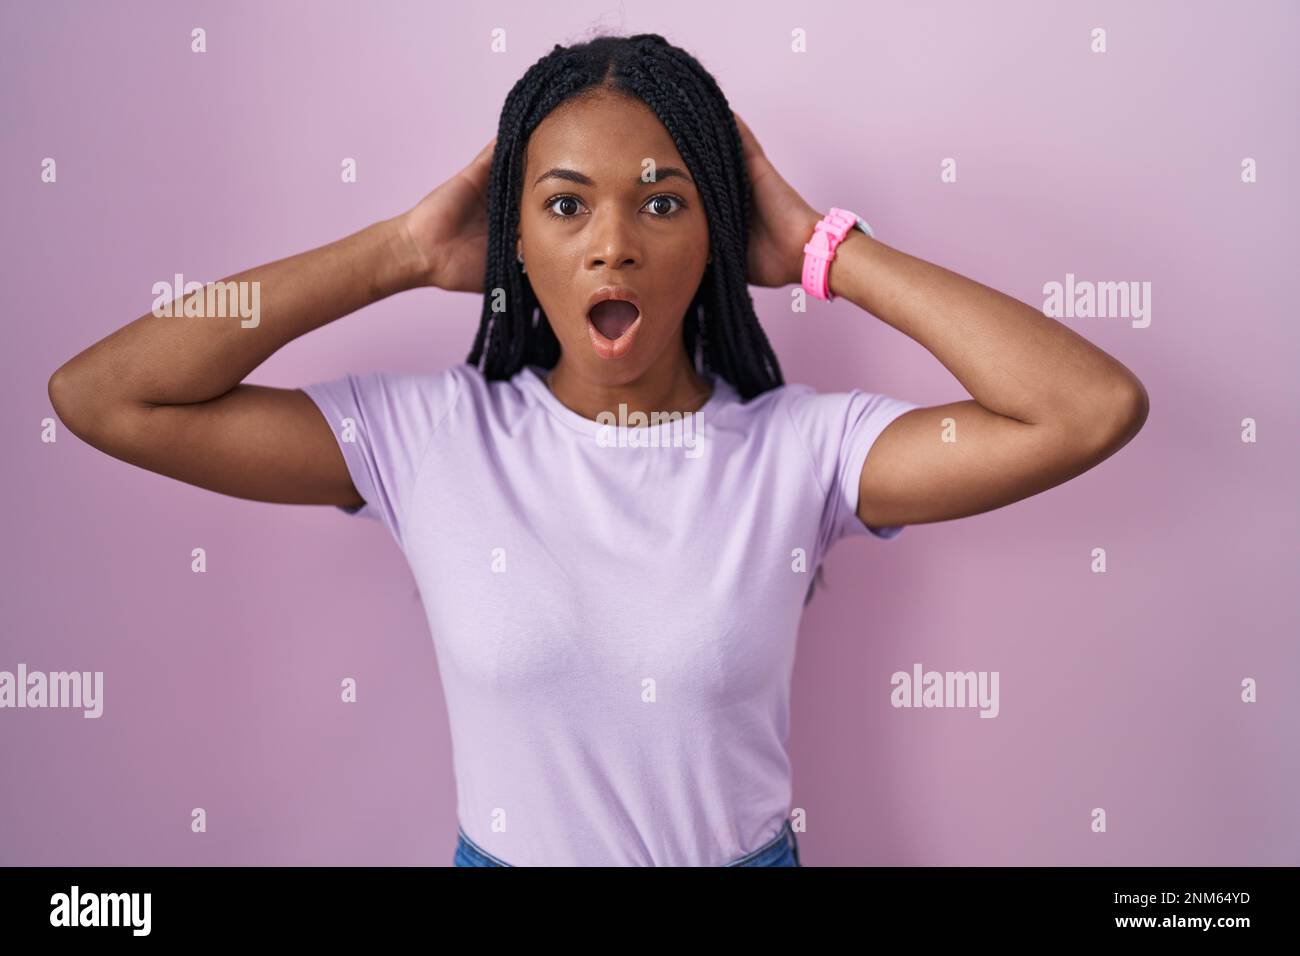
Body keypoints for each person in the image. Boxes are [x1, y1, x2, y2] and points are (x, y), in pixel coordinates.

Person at [46, 33, 1148, 867]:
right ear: (513, 242)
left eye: (664, 203)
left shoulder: (802, 450)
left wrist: (825, 252)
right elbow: (107, 396)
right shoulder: (429, 437)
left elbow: (1086, 408)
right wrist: (395, 251)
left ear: (715, 230)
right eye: (565, 205)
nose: (613, 241)